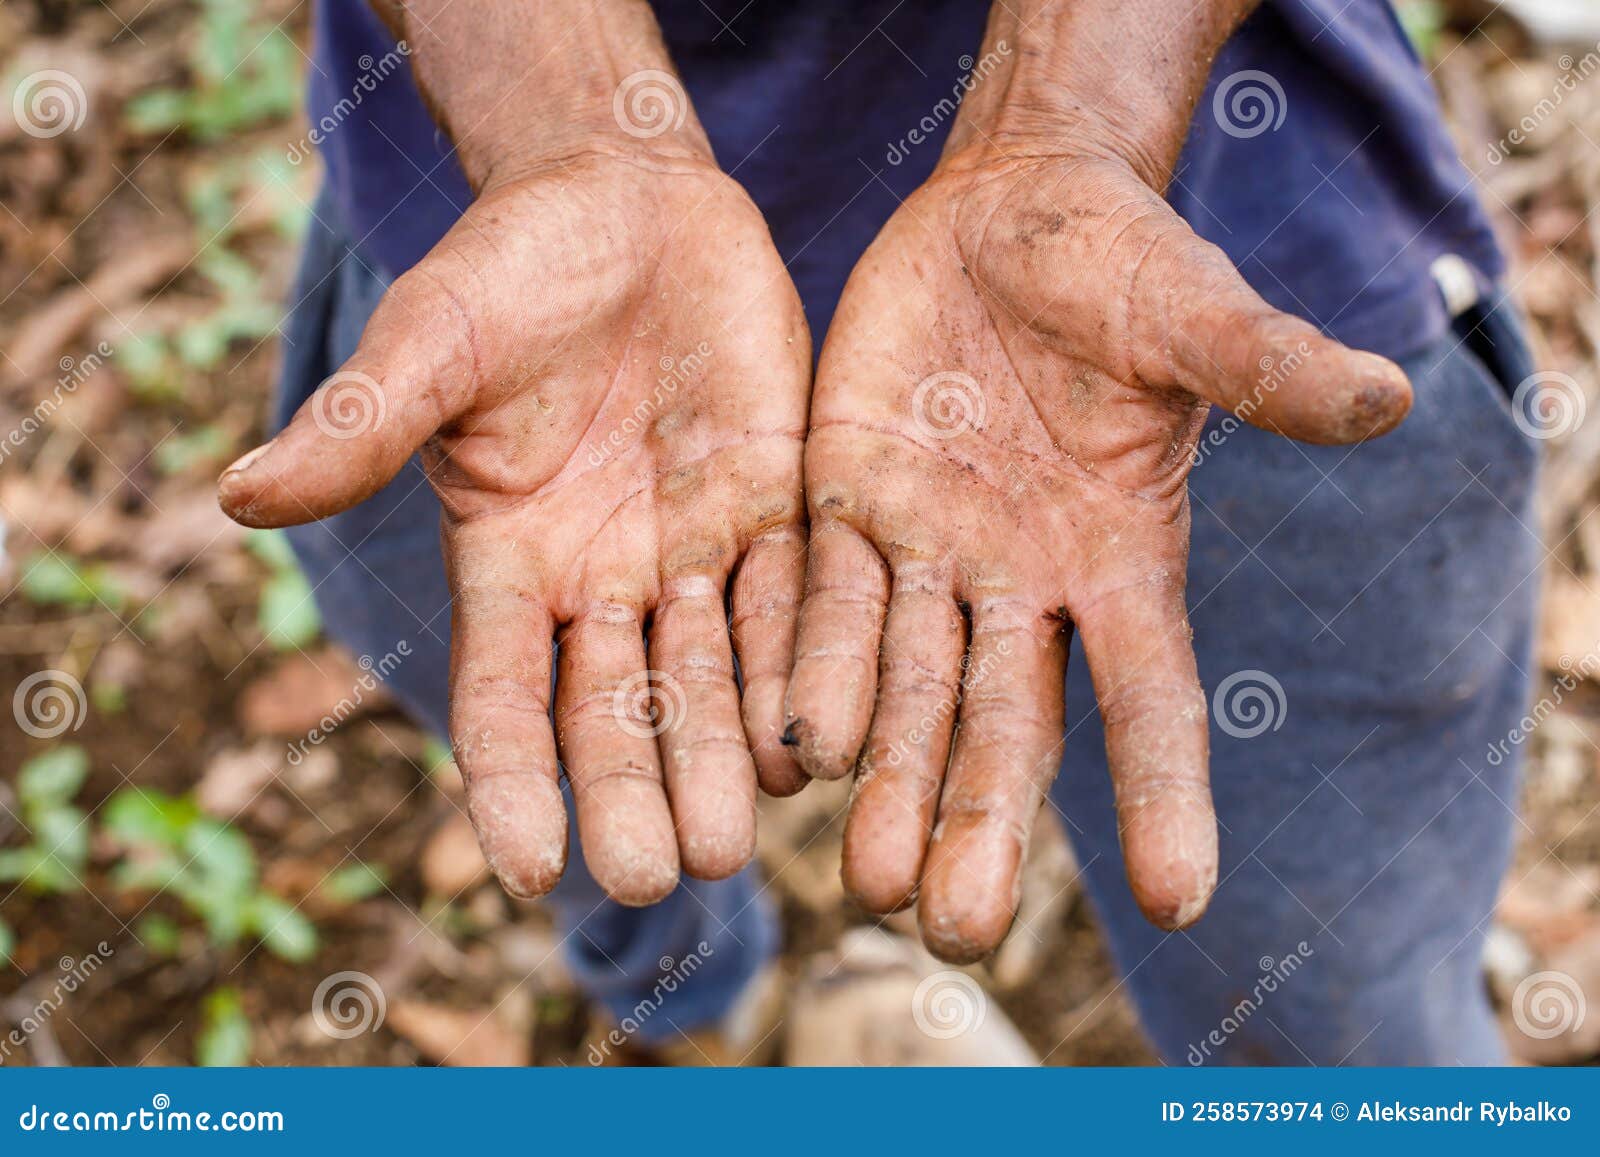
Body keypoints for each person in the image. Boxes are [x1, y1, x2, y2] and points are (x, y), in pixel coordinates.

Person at [220, 0, 1539, 1065]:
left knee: (1345, 1016)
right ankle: (717, 1020)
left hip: (1181, 247)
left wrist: (1066, 126)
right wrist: (568, 133)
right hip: (519, 297)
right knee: (587, 778)